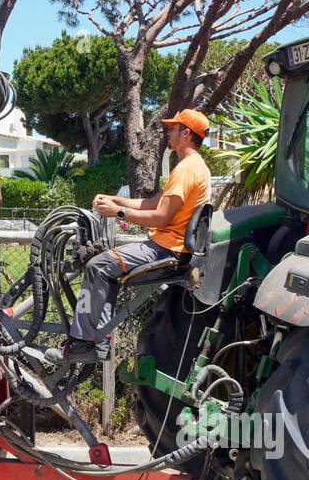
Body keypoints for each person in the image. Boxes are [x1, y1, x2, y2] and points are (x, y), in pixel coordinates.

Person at [49, 109, 212, 364]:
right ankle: (97, 338)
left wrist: (118, 212)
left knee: (98, 266)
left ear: (186, 133)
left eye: (173, 128)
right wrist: (116, 199)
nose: (168, 132)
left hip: (166, 249)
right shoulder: (194, 167)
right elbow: (151, 203)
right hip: (171, 247)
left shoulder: (186, 170)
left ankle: (84, 344)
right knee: (104, 267)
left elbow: (160, 217)